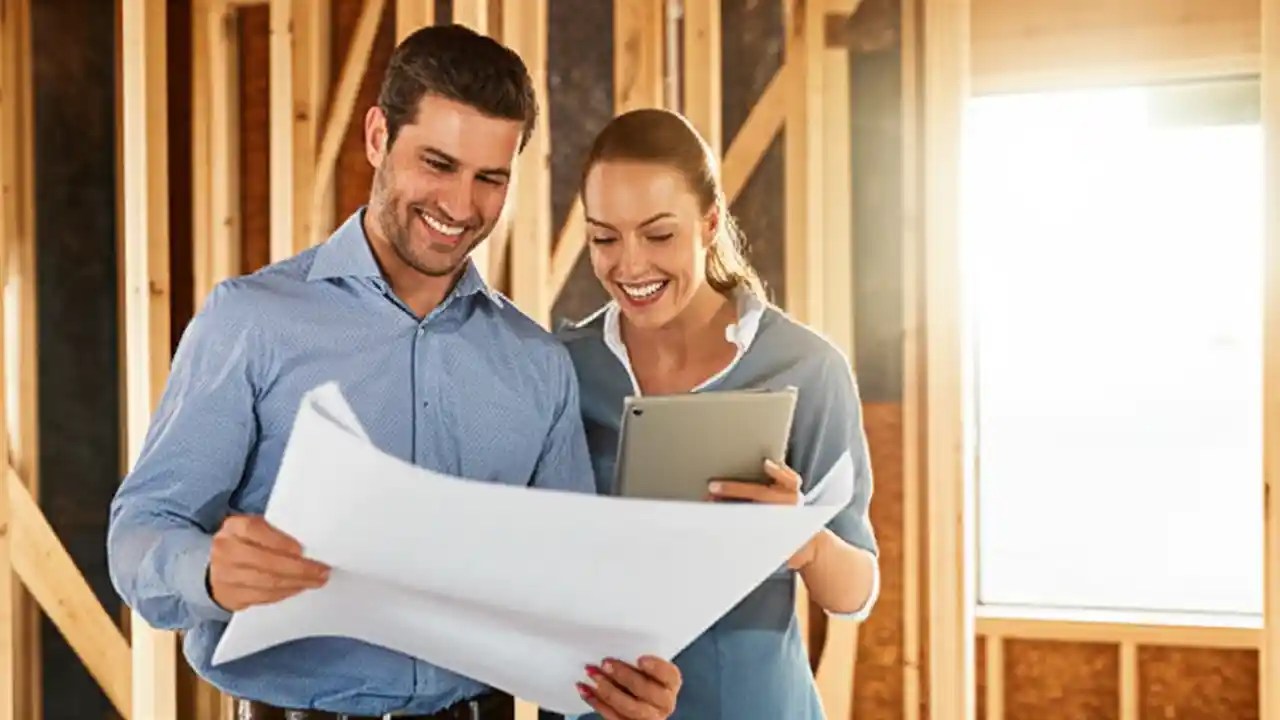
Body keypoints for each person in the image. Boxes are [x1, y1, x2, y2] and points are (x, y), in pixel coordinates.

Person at [107, 25, 680, 720]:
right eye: (437, 164)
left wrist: (618, 692)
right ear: (378, 137)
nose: (461, 206)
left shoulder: (537, 366)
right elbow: (139, 535)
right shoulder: (252, 322)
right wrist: (206, 570)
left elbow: (570, 605)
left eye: (489, 178)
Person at [557, 108, 880, 719]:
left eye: (658, 235)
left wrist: (804, 543)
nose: (630, 266)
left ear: (708, 224)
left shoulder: (806, 370)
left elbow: (856, 593)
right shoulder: (559, 371)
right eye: (604, 237)